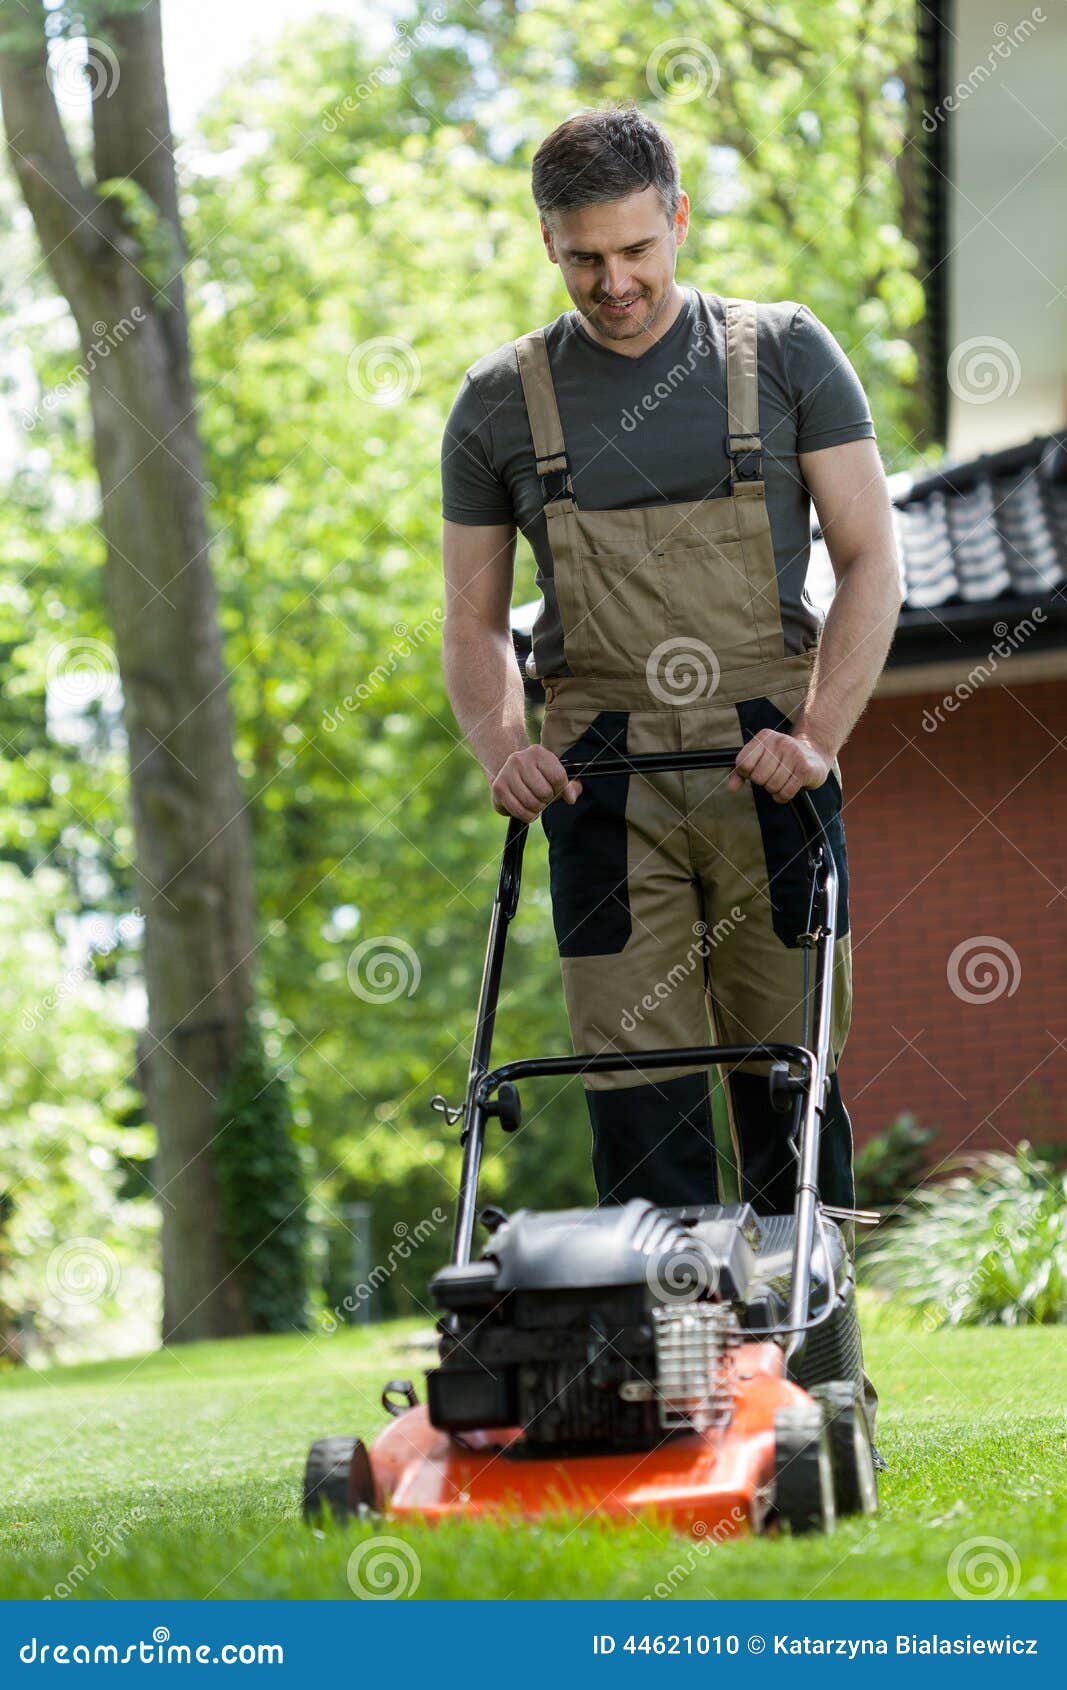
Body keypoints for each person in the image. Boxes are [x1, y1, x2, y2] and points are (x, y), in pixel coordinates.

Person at [440, 104, 902, 1455]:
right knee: (637, 1102)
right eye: (582, 259)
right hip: (601, 787)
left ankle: (817, 1390)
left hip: (768, 771)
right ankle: (666, 1403)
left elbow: (871, 557)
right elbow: (474, 620)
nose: (614, 283)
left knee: (788, 1082)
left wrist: (818, 733)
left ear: (679, 219)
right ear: (547, 244)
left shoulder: (786, 355)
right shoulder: (501, 401)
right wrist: (501, 747)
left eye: (635, 249)